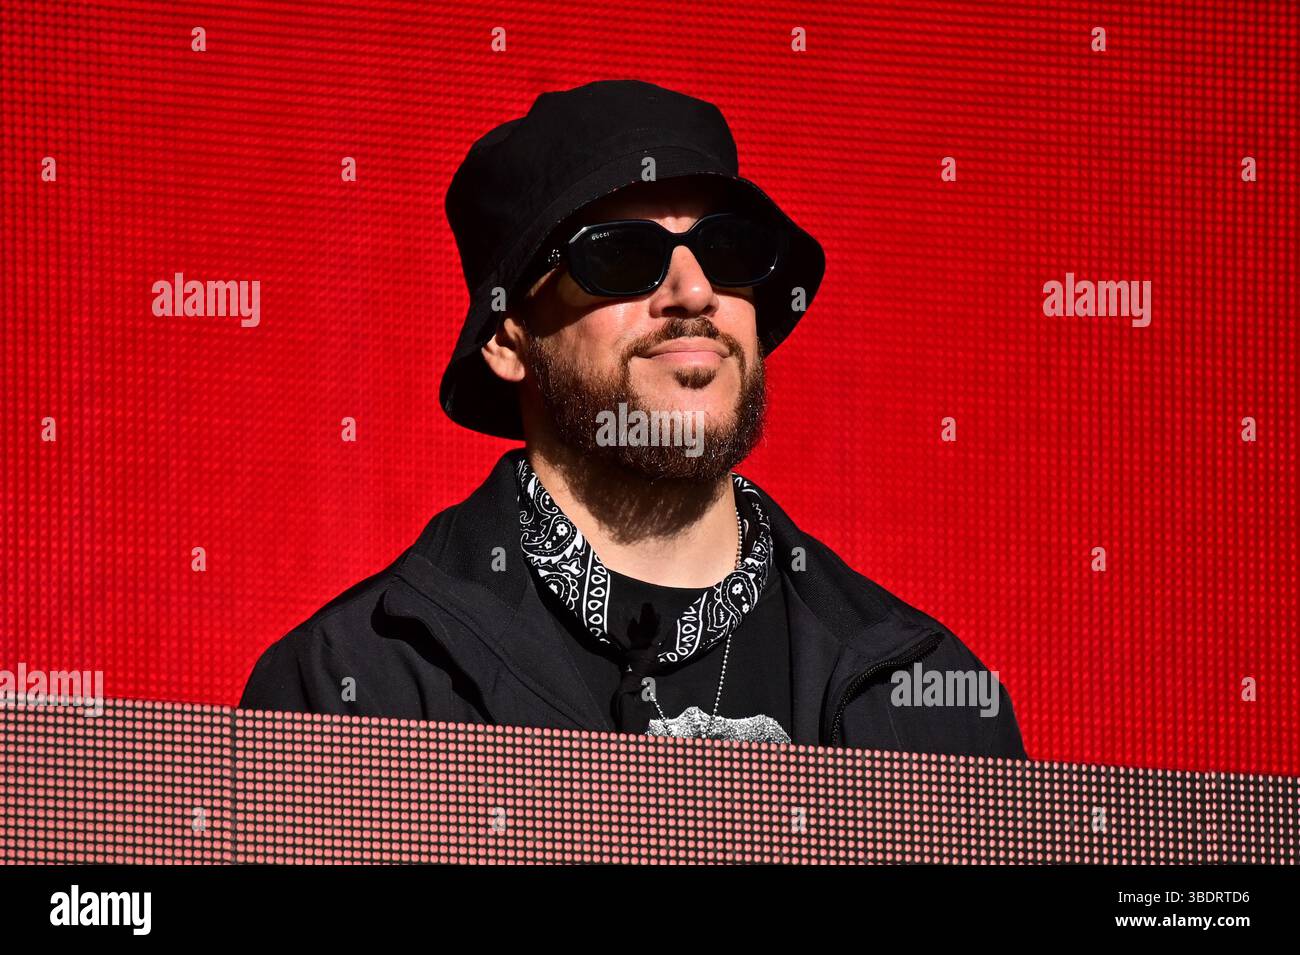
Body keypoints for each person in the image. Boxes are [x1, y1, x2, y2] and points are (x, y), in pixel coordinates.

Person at [240, 79, 1028, 756]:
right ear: (509, 338)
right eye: (618, 253)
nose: (692, 291)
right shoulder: (347, 691)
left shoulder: (931, 698)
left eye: (728, 247)